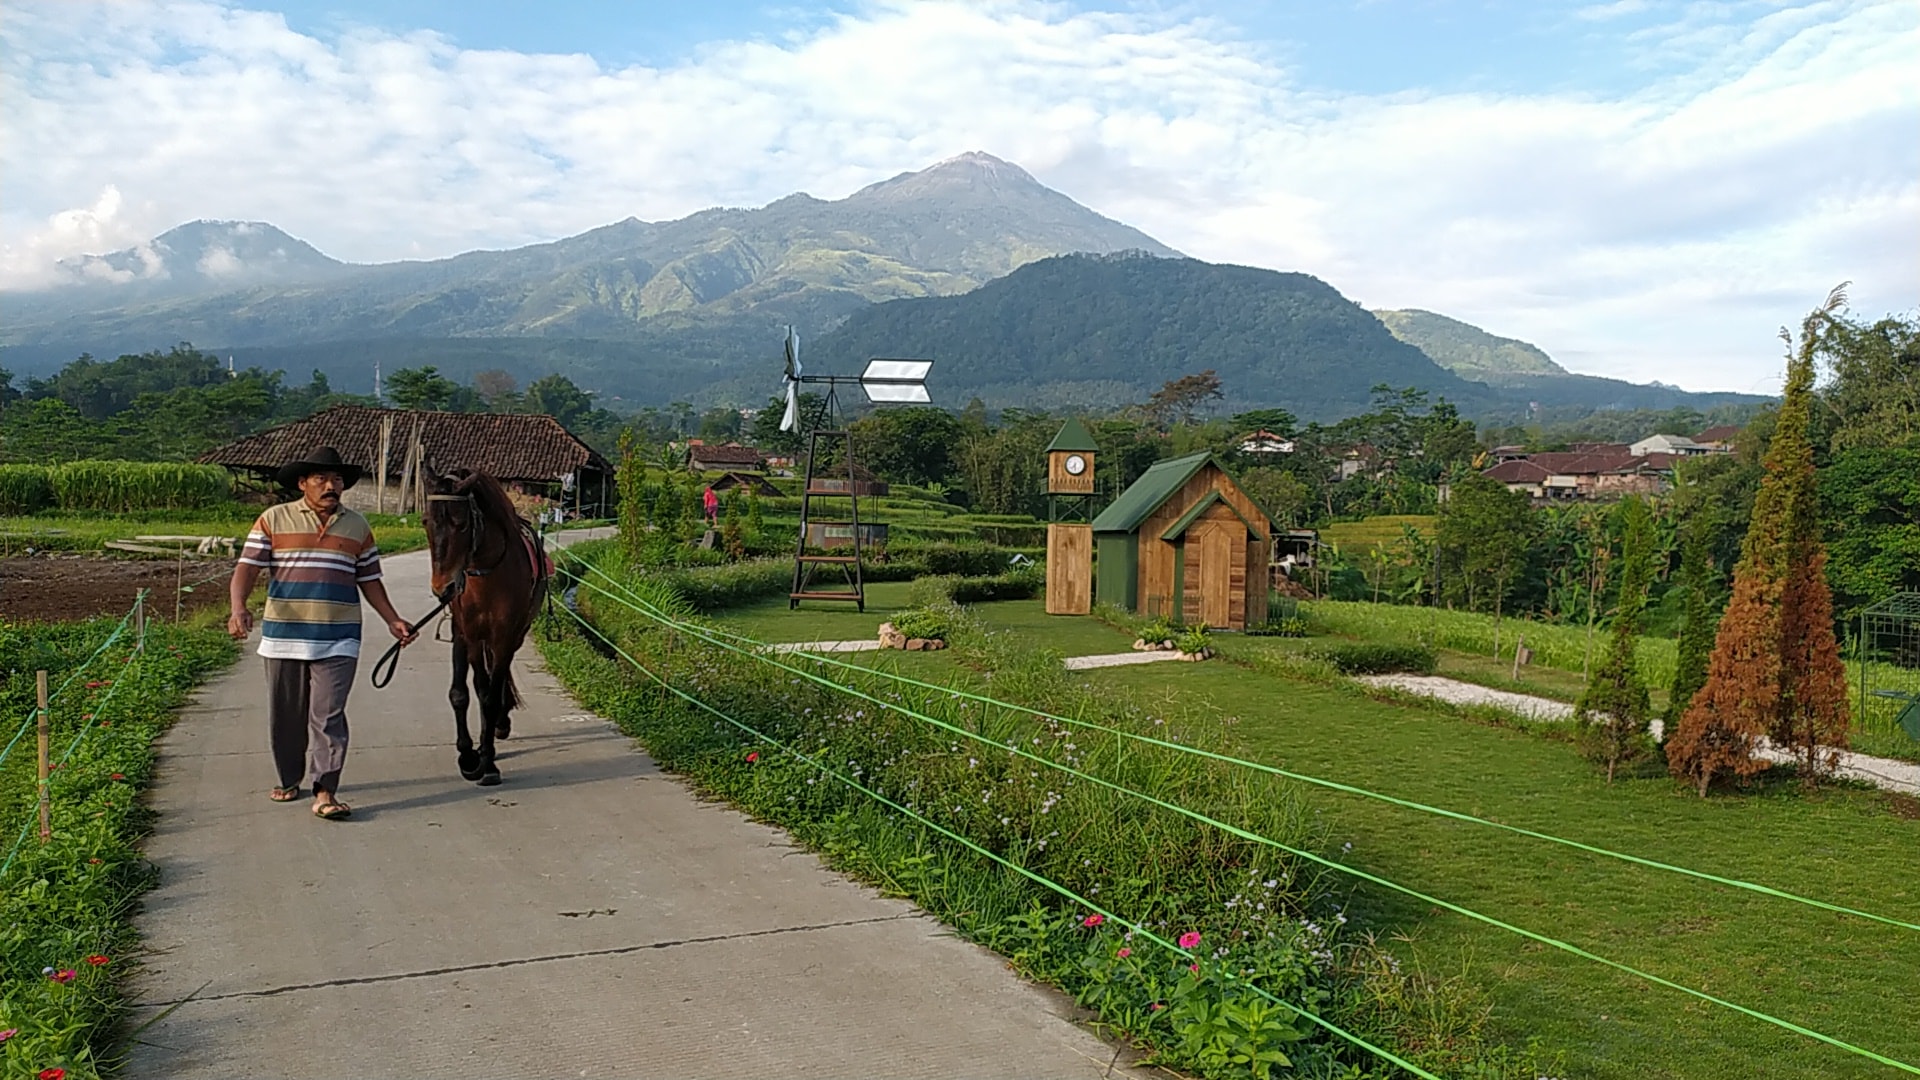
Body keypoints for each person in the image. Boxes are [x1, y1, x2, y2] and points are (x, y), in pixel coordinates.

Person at [227, 447, 415, 820]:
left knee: (329, 714)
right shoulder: (272, 520)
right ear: (303, 484)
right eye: (321, 480)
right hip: (284, 634)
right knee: (287, 714)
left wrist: (393, 619)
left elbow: (370, 579)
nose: (331, 486)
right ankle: (289, 777)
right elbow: (246, 569)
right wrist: (238, 608)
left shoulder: (357, 526)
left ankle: (326, 790)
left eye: (337, 480)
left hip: (340, 635)